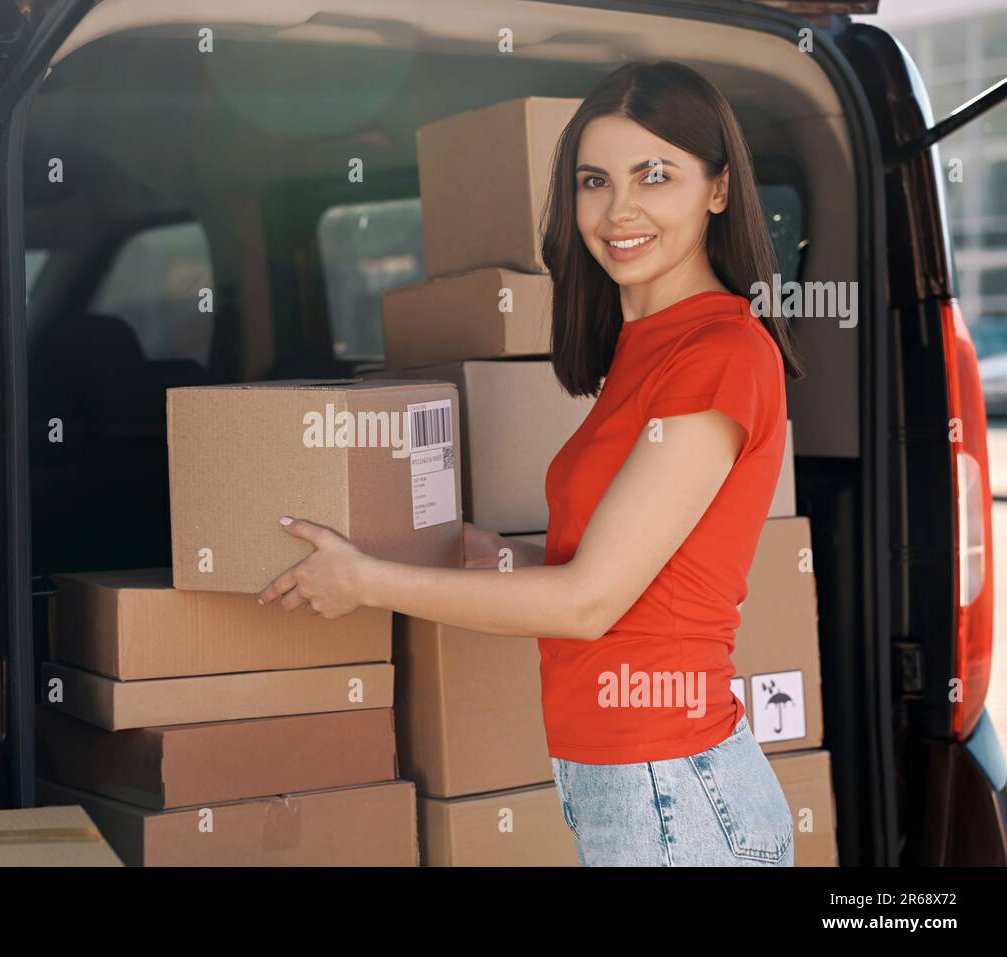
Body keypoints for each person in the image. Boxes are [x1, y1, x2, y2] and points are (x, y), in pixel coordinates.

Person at [256, 60, 806, 866]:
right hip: (635, 779)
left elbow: (590, 603)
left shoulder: (718, 351)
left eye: (655, 176)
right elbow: (634, 569)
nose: (619, 209)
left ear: (718, 188)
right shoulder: (646, 350)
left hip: (672, 784)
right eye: (594, 180)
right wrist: (502, 558)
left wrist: (365, 581)